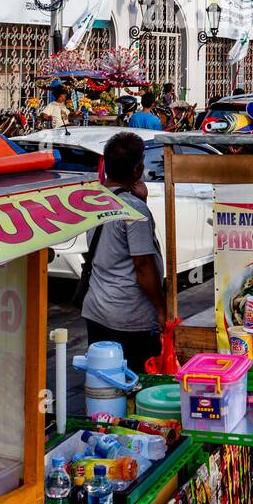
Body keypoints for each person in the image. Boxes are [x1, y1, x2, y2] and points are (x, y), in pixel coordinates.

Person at [81, 132, 165, 372]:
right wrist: (161, 309)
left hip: (97, 310)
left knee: (103, 382)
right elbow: (142, 264)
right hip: (130, 316)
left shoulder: (93, 198)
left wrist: (142, 201)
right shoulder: (133, 209)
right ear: (138, 169)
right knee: (134, 384)